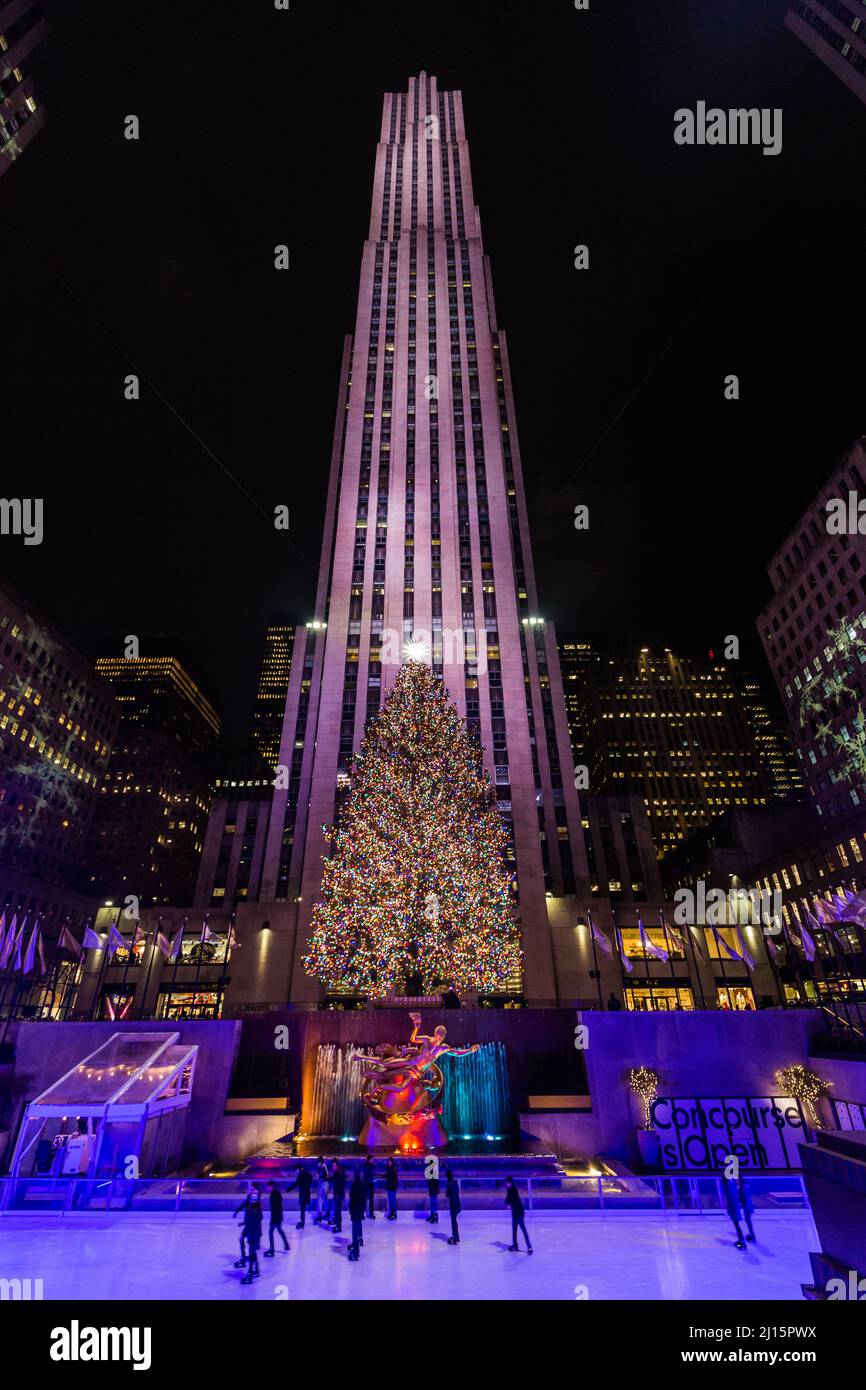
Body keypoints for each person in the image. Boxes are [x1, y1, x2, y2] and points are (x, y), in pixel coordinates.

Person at [722, 1173, 755, 1250]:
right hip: (738, 1207)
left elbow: (738, 1198)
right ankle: (750, 1237)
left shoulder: (733, 1186)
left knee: (738, 1223)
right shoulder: (739, 1186)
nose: (735, 1180)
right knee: (742, 1222)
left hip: (736, 1207)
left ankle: (742, 1241)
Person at [232, 1182, 261, 1268]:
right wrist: (237, 1212)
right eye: (250, 1189)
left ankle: (255, 1269)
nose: (250, 1190)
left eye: (252, 1189)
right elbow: (243, 1205)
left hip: (253, 1228)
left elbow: (258, 1217)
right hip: (248, 1226)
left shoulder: (256, 1202)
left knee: (252, 1248)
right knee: (241, 1239)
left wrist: (246, 1223)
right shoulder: (249, 1198)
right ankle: (244, 1257)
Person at [239, 1186, 263, 1284]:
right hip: (254, 1234)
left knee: (252, 1254)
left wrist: (250, 1236)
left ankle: (250, 1274)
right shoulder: (256, 1210)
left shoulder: (253, 1212)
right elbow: (251, 1222)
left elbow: (252, 1224)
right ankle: (255, 1271)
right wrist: (243, 1224)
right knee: (253, 1253)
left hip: (253, 1235)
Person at [504, 1176, 532, 1253]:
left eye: (507, 1182)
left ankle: (529, 1246)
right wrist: (507, 1203)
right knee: (514, 1229)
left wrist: (509, 1204)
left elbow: (513, 1198)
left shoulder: (514, 1189)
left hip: (519, 1212)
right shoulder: (509, 1189)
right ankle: (515, 1245)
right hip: (514, 1212)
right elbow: (508, 1197)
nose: (506, 1184)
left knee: (523, 1228)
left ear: (510, 1182)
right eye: (506, 1182)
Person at [264, 1180, 289, 1256]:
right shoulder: (276, 1193)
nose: (267, 1188)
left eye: (268, 1187)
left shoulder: (274, 1194)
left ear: (270, 1186)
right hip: (278, 1216)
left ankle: (272, 1248)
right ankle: (286, 1245)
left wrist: (274, 1218)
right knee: (279, 1230)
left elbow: (275, 1207)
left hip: (276, 1217)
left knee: (271, 1232)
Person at [288, 1163, 313, 1229]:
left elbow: (297, 1183)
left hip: (303, 1194)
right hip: (306, 1193)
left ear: (298, 1169)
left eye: (296, 1170)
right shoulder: (306, 1173)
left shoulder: (301, 1175)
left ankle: (302, 1222)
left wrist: (290, 1189)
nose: (296, 1172)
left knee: (302, 1209)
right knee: (302, 1209)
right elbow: (310, 1180)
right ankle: (302, 1222)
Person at [348, 1168, 366, 1261]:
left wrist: (351, 1210)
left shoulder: (355, 1185)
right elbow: (363, 1200)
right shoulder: (361, 1184)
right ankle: (357, 1243)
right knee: (357, 1227)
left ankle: (355, 1252)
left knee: (354, 1231)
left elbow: (353, 1199)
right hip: (359, 1210)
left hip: (355, 1210)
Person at [445, 1167, 461, 1245]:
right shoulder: (455, 1182)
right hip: (457, 1203)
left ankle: (455, 1237)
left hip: (453, 1204)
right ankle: (456, 1236)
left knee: (453, 1221)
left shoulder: (449, 1183)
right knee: (454, 1221)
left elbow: (447, 1195)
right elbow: (457, 1192)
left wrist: (447, 1191)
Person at [330, 1158, 346, 1233]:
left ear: (336, 1166)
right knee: (337, 1210)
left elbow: (339, 1184)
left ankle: (338, 1227)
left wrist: (337, 1194)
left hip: (338, 1195)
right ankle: (337, 1223)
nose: (332, 1167)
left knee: (337, 1211)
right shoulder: (338, 1172)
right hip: (339, 1194)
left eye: (333, 1166)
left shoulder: (338, 1173)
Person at [314, 1157, 330, 1224]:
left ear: (320, 1162)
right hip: (323, 1185)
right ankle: (327, 1212)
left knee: (320, 1199)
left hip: (323, 1185)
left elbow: (324, 1177)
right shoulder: (323, 1167)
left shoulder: (322, 1168)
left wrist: (318, 1176)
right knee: (323, 1199)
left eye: (317, 1162)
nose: (317, 1164)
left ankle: (320, 1215)